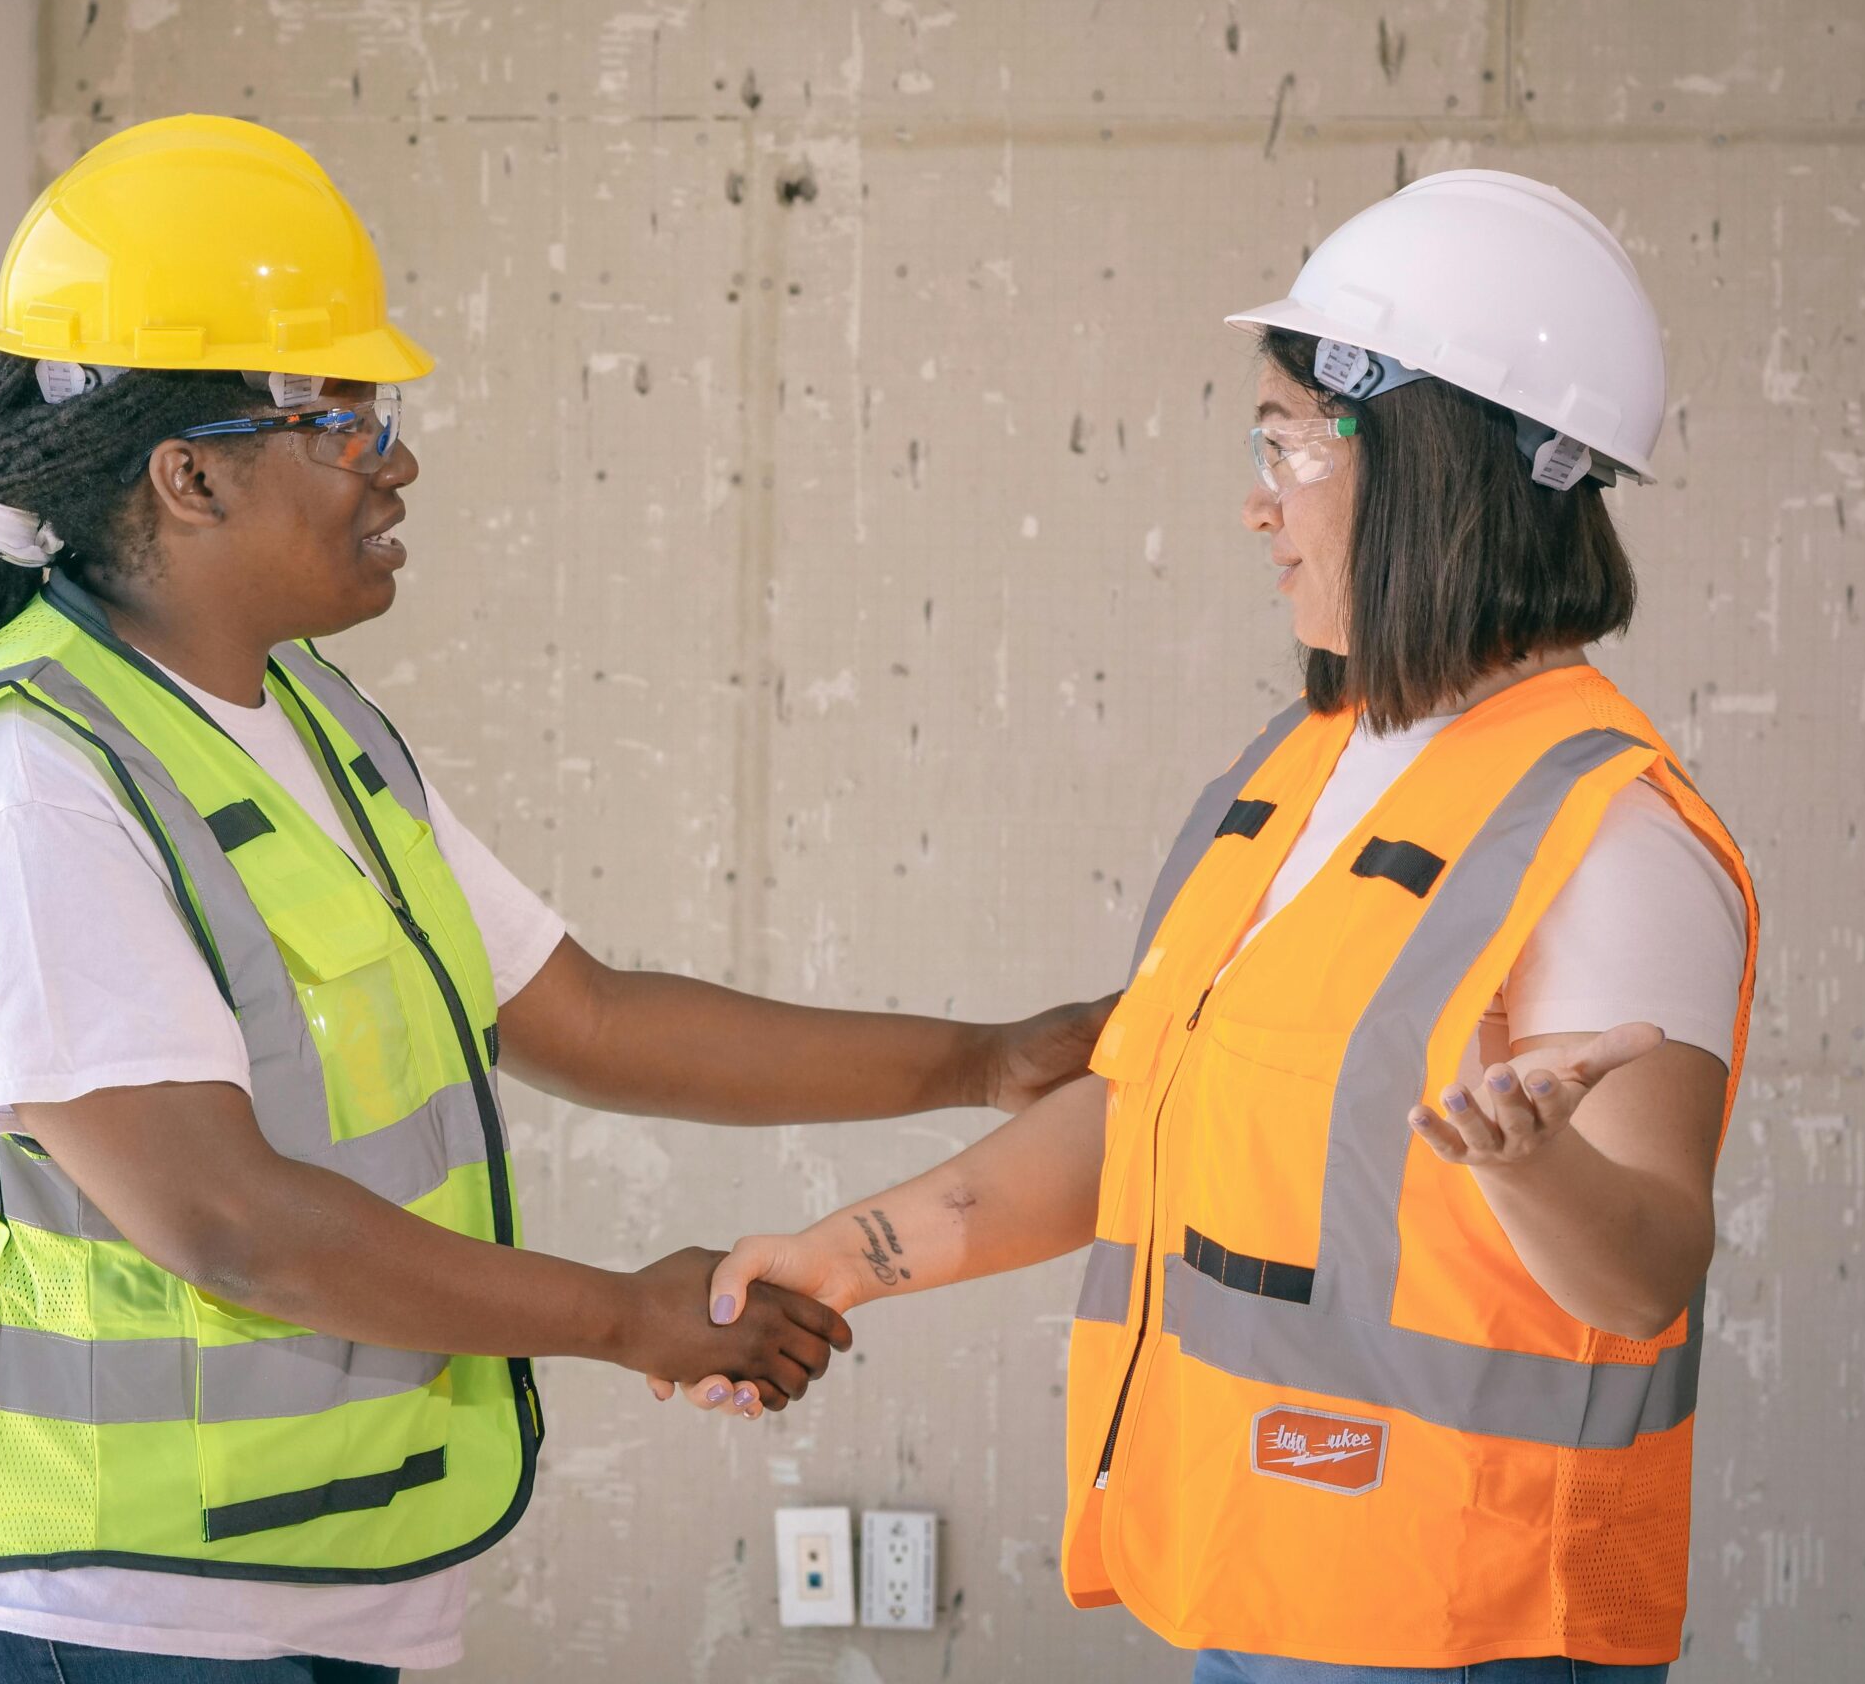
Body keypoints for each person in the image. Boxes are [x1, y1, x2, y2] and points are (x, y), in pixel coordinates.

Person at [0, 114, 1112, 1682]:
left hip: (315, 1575)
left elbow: (586, 1017)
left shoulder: (308, 725)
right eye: (345, 422)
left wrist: (986, 1060)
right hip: (115, 1613)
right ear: (187, 478)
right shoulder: (35, 782)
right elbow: (225, 1223)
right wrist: (618, 1316)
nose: (400, 460)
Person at [688, 171, 1756, 1682]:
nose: (1257, 498)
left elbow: (1643, 1268)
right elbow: (1142, 1115)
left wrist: (1535, 1165)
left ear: (1431, 463)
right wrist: (849, 1256)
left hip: (1464, 1625)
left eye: (1286, 446)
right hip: (1261, 1584)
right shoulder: (1309, 762)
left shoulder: (1609, 834)